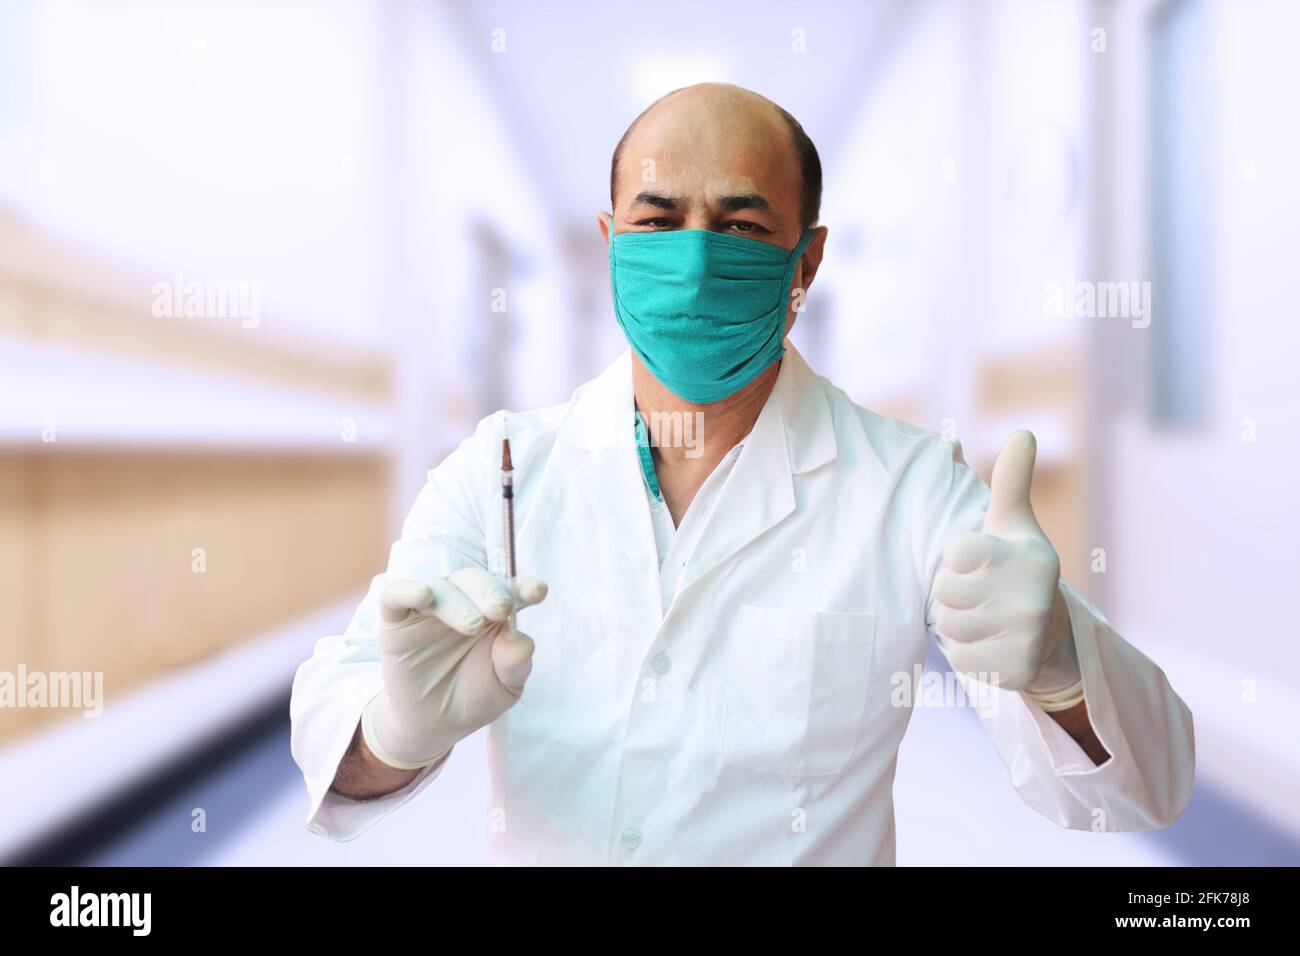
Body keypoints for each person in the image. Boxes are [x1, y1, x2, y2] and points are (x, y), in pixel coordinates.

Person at [290, 83, 1193, 865]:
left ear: (808, 258)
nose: (692, 260)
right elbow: (338, 747)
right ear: (610, 241)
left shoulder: (912, 487)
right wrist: (398, 731)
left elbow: (1144, 790)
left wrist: (1060, 672)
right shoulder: (499, 470)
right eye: (656, 220)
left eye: (740, 224)